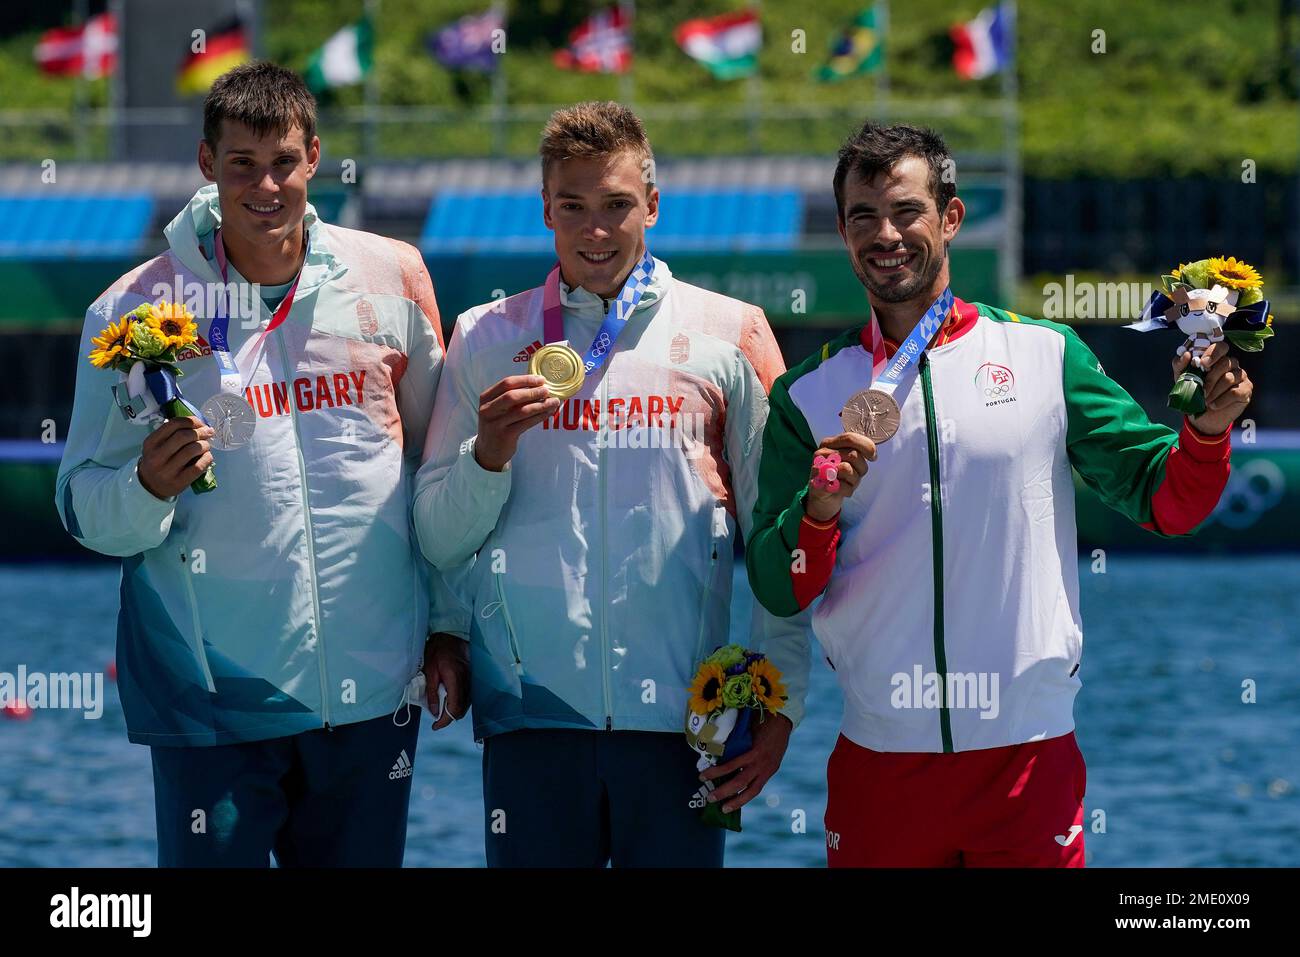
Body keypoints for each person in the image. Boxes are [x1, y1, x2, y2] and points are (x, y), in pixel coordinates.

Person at [745, 121, 1252, 867]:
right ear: (845, 234)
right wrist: (816, 514)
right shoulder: (806, 395)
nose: (886, 234)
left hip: (1028, 762)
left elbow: (1165, 500)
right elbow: (775, 586)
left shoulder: (1049, 356)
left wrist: (1206, 431)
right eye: (863, 217)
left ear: (950, 218)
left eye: (906, 211)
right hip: (882, 765)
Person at [54, 61, 467, 866]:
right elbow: (80, 502)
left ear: (314, 155)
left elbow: (436, 472)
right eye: (241, 163)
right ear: (207, 164)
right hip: (208, 700)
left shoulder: (394, 275)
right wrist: (145, 487)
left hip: (373, 691)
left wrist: (450, 624)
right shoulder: (131, 310)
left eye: (282, 160)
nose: (265, 184)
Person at [412, 101, 811, 867]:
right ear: (546, 210)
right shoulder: (486, 336)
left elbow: (775, 542)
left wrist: (782, 702)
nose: (596, 229)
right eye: (574, 207)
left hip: (689, 728)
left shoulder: (734, 333)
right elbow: (436, 537)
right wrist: (487, 453)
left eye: (617, 205)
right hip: (532, 722)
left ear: (654, 206)